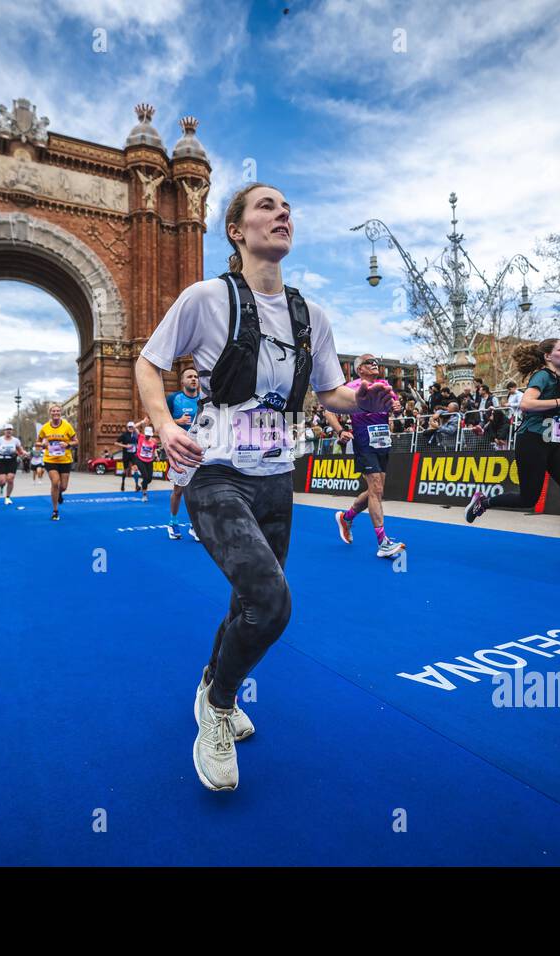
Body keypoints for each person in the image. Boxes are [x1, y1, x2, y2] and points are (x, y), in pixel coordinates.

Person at [134, 181, 396, 792]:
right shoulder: (205, 298)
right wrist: (164, 423)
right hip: (215, 472)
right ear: (237, 230)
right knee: (274, 602)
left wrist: (365, 399)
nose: (282, 214)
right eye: (266, 206)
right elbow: (149, 361)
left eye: (287, 207)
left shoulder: (313, 316)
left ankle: (208, 687)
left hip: (279, 475)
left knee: (248, 603)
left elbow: (330, 392)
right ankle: (218, 710)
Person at [463, 338, 560, 568]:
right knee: (528, 498)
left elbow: (550, 409)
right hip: (531, 441)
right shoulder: (542, 375)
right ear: (548, 356)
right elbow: (527, 404)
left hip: (553, 442)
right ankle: (483, 503)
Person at [328, 353, 405, 559]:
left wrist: (397, 409)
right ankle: (383, 542)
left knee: (375, 491)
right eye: (369, 362)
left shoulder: (384, 385)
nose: (374, 365)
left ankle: (347, 517)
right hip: (363, 441)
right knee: (376, 489)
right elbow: (329, 410)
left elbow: (395, 411)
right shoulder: (350, 387)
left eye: (376, 362)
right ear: (359, 368)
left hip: (382, 442)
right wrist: (339, 430)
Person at [166, 368, 203, 540]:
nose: (194, 379)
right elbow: (160, 420)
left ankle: (195, 525)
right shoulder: (174, 398)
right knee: (179, 490)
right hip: (181, 450)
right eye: (189, 377)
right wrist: (177, 421)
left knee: (198, 490)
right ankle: (173, 523)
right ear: (182, 381)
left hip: (201, 449)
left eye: (196, 376)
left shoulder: (204, 399)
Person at [37, 404, 77, 520]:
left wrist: (68, 444)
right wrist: (43, 444)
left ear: (61, 412)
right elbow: (37, 442)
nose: (55, 413)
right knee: (55, 482)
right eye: (53, 411)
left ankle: (59, 493)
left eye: (58, 411)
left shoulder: (67, 426)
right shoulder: (45, 427)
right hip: (50, 459)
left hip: (65, 459)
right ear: (50, 413)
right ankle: (55, 511)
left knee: (63, 487)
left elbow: (76, 441)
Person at [0, 424, 25, 506]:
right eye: (7, 429)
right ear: (4, 431)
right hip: (1, 461)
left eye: (10, 429)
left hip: (12, 461)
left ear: (12, 431)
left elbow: (20, 450)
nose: (8, 431)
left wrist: (23, 453)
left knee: (10, 479)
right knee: (2, 481)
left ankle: (7, 497)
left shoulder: (15, 440)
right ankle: (1, 486)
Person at [116, 421, 142, 493]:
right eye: (129, 427)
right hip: (126, 455)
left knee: (135, 469)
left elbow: (139, 439)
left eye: (132, 427)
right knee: (125, 470)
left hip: (134, 455)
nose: (131, 428)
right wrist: (125, 446)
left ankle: (136, 486)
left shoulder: (135, 435)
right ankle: (123, 483)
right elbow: (116, 443)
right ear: (127, 428)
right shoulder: (124, 435)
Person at [135, 425, 159, 501]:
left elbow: (154, 449)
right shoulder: (140, 437)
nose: (148, 437)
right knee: (145, 476)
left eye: (149, 435)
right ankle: (144, 495)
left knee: (149, 479)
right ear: (145, 434)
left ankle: (143, 484)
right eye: (147, 435)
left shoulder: (153, 441)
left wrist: (156, 456)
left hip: (149, 461)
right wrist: (142, 422)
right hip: (140, 460)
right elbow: (134, 427)